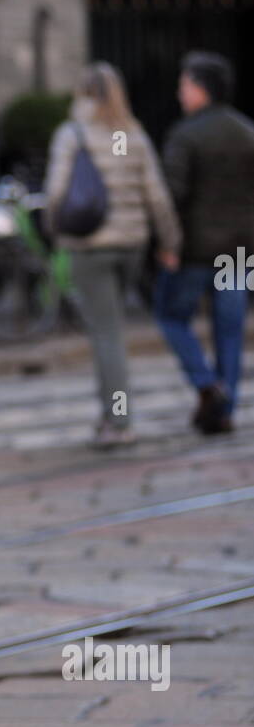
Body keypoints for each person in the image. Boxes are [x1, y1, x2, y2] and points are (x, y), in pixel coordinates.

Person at [44, 61, 182, 447]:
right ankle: (111, 415)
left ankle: (119, 423)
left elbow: (55, 193)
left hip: (90, 246)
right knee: (112, 327)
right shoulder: (134, 134)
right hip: (132, 245)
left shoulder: (72, 134)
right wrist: (170, 243)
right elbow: (156, 196)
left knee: (107, 334)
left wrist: (54, 234)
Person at [154, 51, 254, 434]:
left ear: (200, 89)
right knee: (230, 328)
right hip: (238, 252)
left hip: (196, 251)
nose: (180, 94)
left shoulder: (186, 134)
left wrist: (166, 244)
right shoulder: (246, 131)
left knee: (171, 316)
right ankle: (225, 404)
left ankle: (204, 383)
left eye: (184, 85)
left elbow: (171, 196)